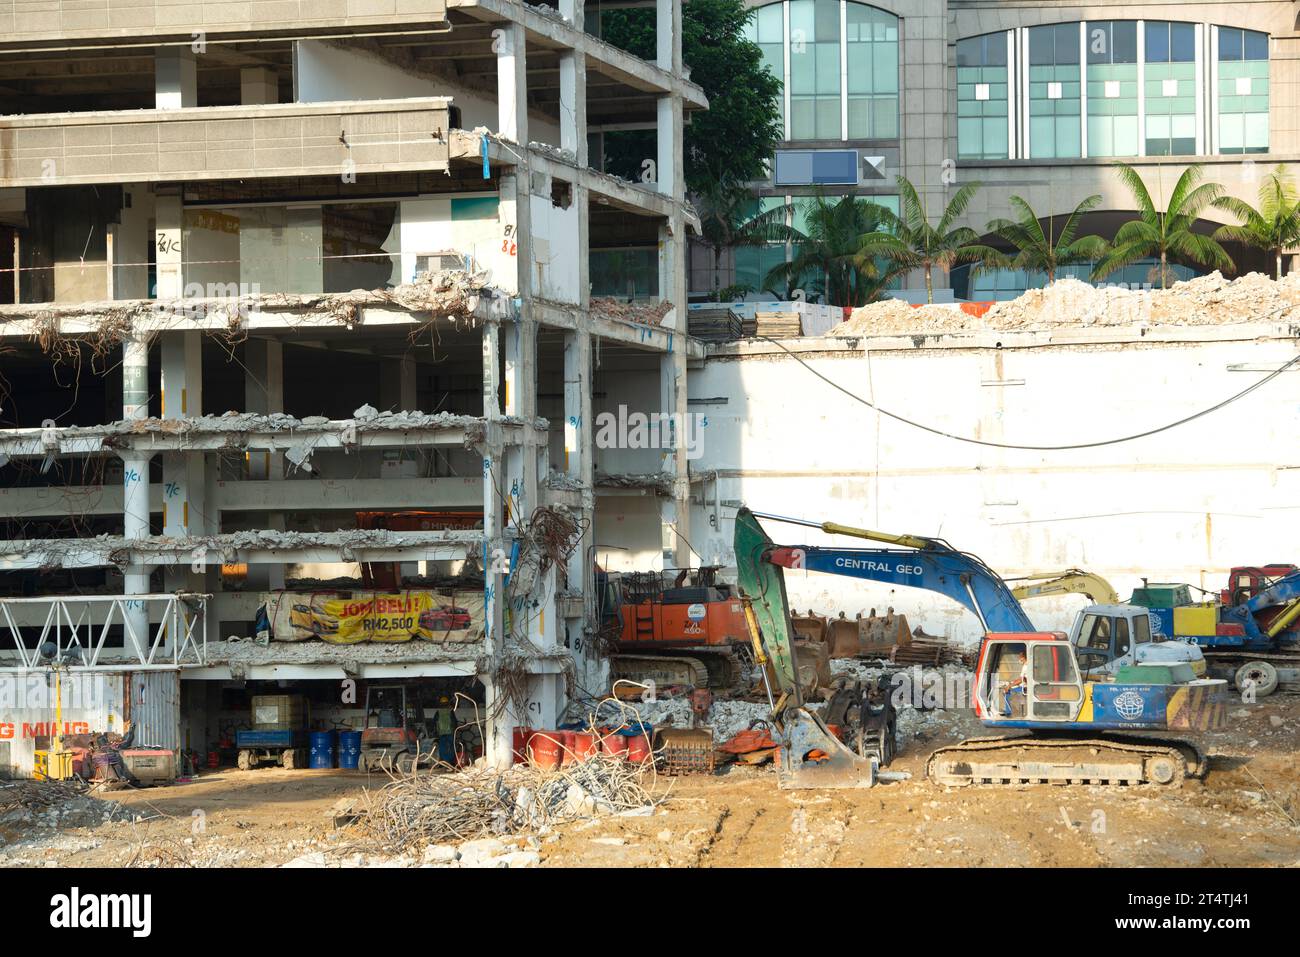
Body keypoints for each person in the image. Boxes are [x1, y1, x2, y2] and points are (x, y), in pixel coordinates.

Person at [1003, 651, 1030, 716]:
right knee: (1008, 687)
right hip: (1023, 685)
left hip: (1025, 688)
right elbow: (1021, 678)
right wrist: (1012, 682)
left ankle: (1009, 712)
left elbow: (1021, 680)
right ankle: (1011, 711)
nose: (1019, 659)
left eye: (1020, 658)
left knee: (1007, 691)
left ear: (1024, 657)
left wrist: (1010, 686)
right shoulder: (1025, 666)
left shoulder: (1027, 666)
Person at [432, 696, 456, 764]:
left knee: (442, 748)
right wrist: (455, 730)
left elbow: (434, 723)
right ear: (447, 704)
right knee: (451, 747)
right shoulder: (451, 712)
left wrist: (435, 731)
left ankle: (444, 762)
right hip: (450, 733)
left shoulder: (438, 712)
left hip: (441, 733)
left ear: (440, 704)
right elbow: (454, 722)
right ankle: (450, 762)